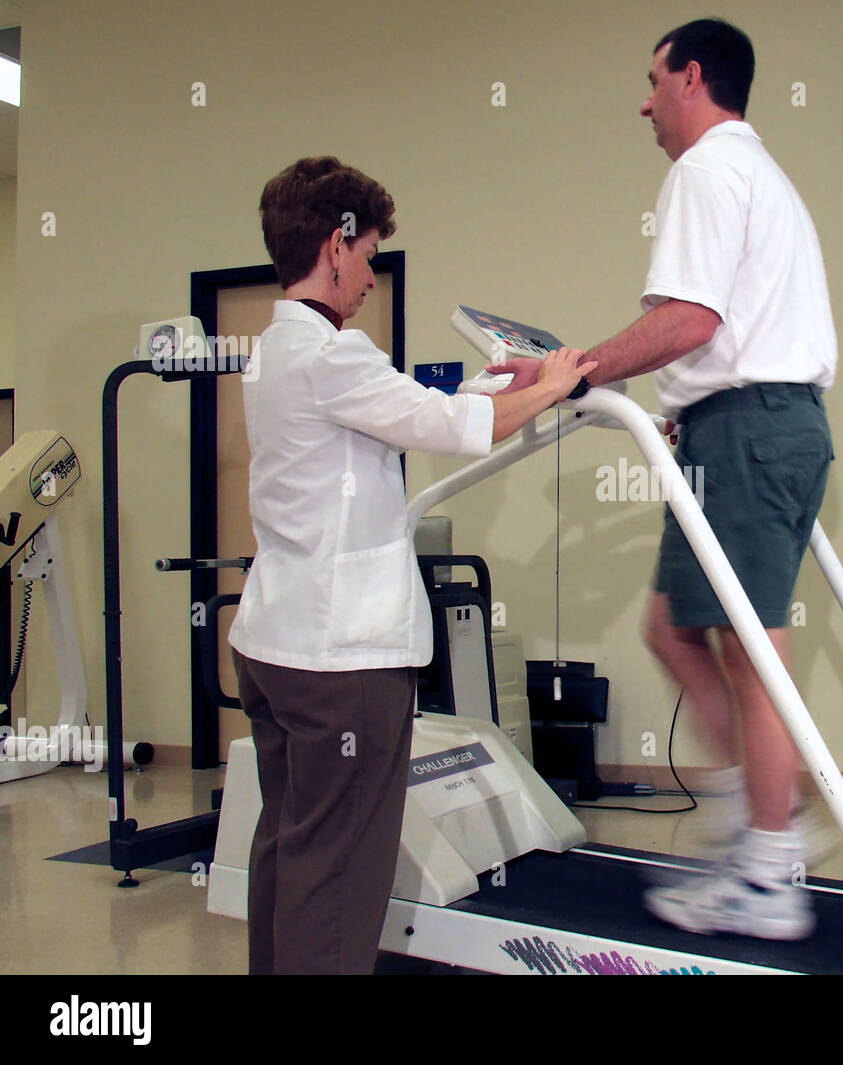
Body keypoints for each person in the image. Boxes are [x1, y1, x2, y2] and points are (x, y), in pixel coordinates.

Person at [497, 18, 835, 940]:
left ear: (692, 77)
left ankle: (769, 867)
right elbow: (724, 331)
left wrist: (578, 369)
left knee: (751, 655)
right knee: (675, 628)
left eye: (653, 82)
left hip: (752, 432)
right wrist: (691, 403)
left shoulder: (704, 169)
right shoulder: (757, 175)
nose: (644, 103)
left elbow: (690, 318)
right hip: (750, 425)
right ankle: (759, 830)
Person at [225, 156, 594, 974]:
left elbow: (408, 415)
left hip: (276, 646)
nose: (365, 279)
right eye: (366, 257)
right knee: (341, 871)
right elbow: (449, 425)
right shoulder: (333, 353)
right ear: (335, 245)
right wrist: (556, 381)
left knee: (290, 848)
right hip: (341, 662)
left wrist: (494, 384)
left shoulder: (276, 354)